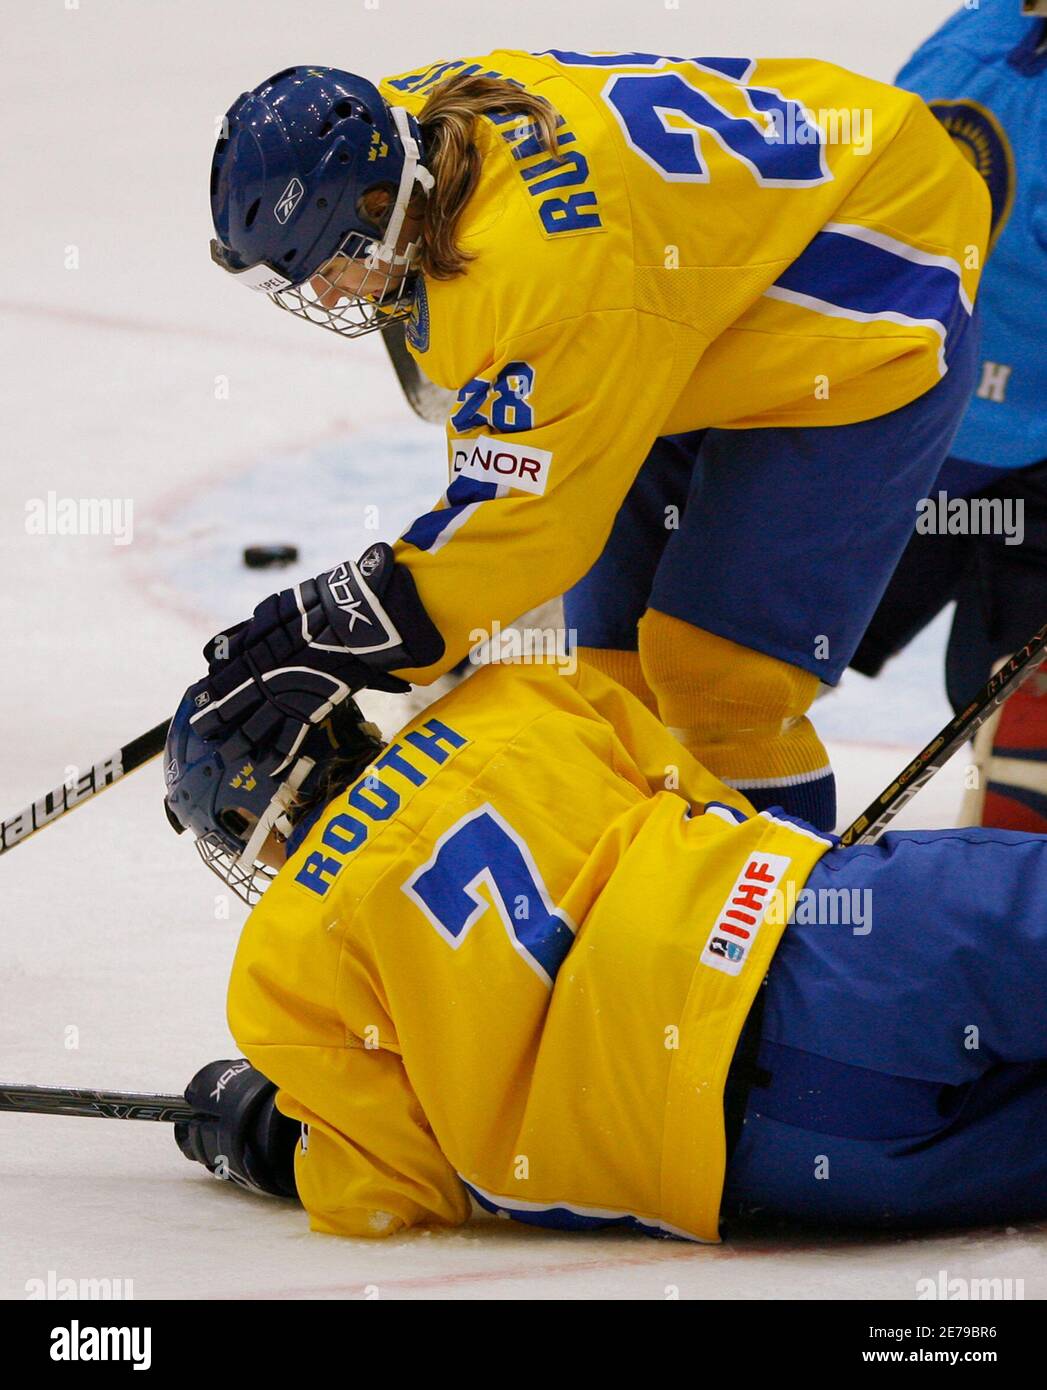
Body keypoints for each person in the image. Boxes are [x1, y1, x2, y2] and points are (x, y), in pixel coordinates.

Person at [194, 49, 990, 837]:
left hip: (883, 269)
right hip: (709, 261)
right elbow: (516, 446)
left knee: (721, 688)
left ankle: (780, 942)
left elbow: (531, 524)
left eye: (333, 265)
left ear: (378, 202)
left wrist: (357, 628)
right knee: (608, 664)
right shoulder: (410, 119)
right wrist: (429, 591)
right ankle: (633, 908)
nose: (329, 294)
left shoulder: (539, 277)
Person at [167, 652, 1047, 1239]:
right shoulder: (509, 699)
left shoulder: (279, 967)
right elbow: (716, 804)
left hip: (764, 1154)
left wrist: (275, 1141)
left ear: (251, 812)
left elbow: (394, 1192)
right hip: (832, 943)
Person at [851, 0, 1047, 831]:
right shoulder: (970, 37)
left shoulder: (965, 36)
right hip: (907, 438)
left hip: (894, 433)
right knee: (1020, 743)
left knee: (1015, 737)